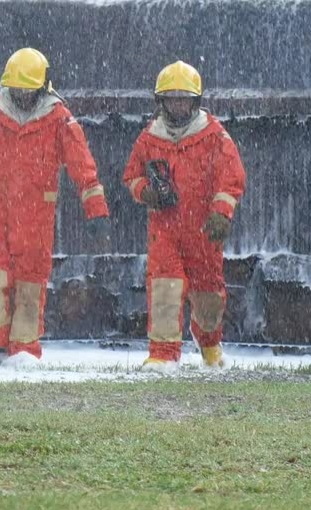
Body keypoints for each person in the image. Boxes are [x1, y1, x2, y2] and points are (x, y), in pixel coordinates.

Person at [0, 48, 112, 366]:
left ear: (42, 87)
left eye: (27, 89)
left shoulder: (59, 119)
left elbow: (82, 165)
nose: (22, 95)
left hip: (37, 214)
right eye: (18, 89)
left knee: (30, 281)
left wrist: (96, 209)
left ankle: (24, 348)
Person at [121, 60, 246, 371]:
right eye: (172, 98)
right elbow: (131, 176)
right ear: (161, 101)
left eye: (184, 98)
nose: (178, 104)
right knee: (164, 287)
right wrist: (145, 193)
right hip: (164, 229)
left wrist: (222, 213)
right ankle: (162, 354)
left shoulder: (214, 136)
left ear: (195, 101)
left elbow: (232, 177)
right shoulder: (149, 138)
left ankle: (209, 344)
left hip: (204, 230)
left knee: (208, 295)